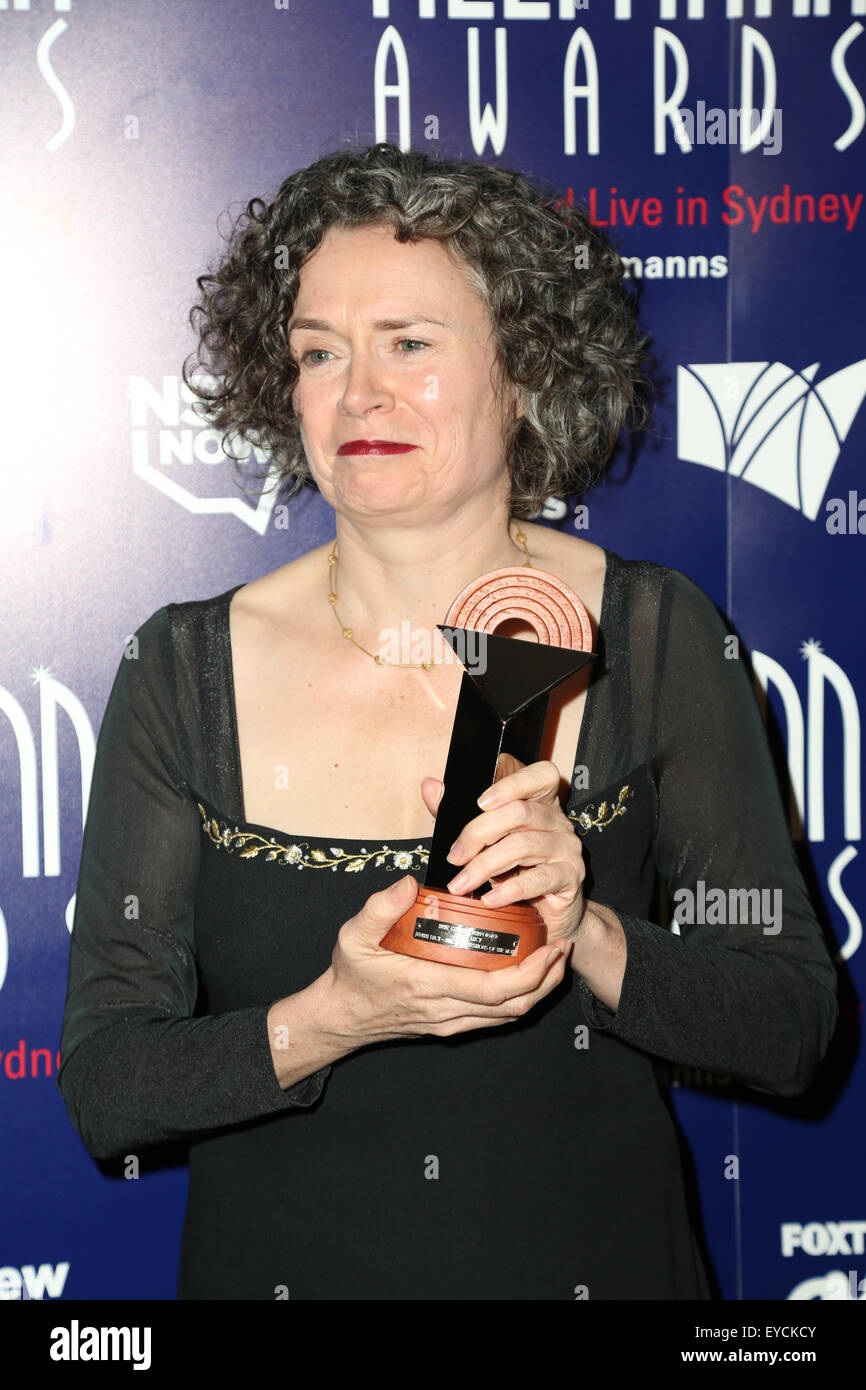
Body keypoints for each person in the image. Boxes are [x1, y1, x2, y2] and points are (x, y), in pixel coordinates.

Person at [57, 142, 838, 1300]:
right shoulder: (184, 667)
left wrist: (585, 931)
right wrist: (331, 1018)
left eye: (408, 346)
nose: (357, 393)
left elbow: (787, 1031)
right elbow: (110, 1087)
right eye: (320, 352)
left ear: (524, 372)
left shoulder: (655, 632)